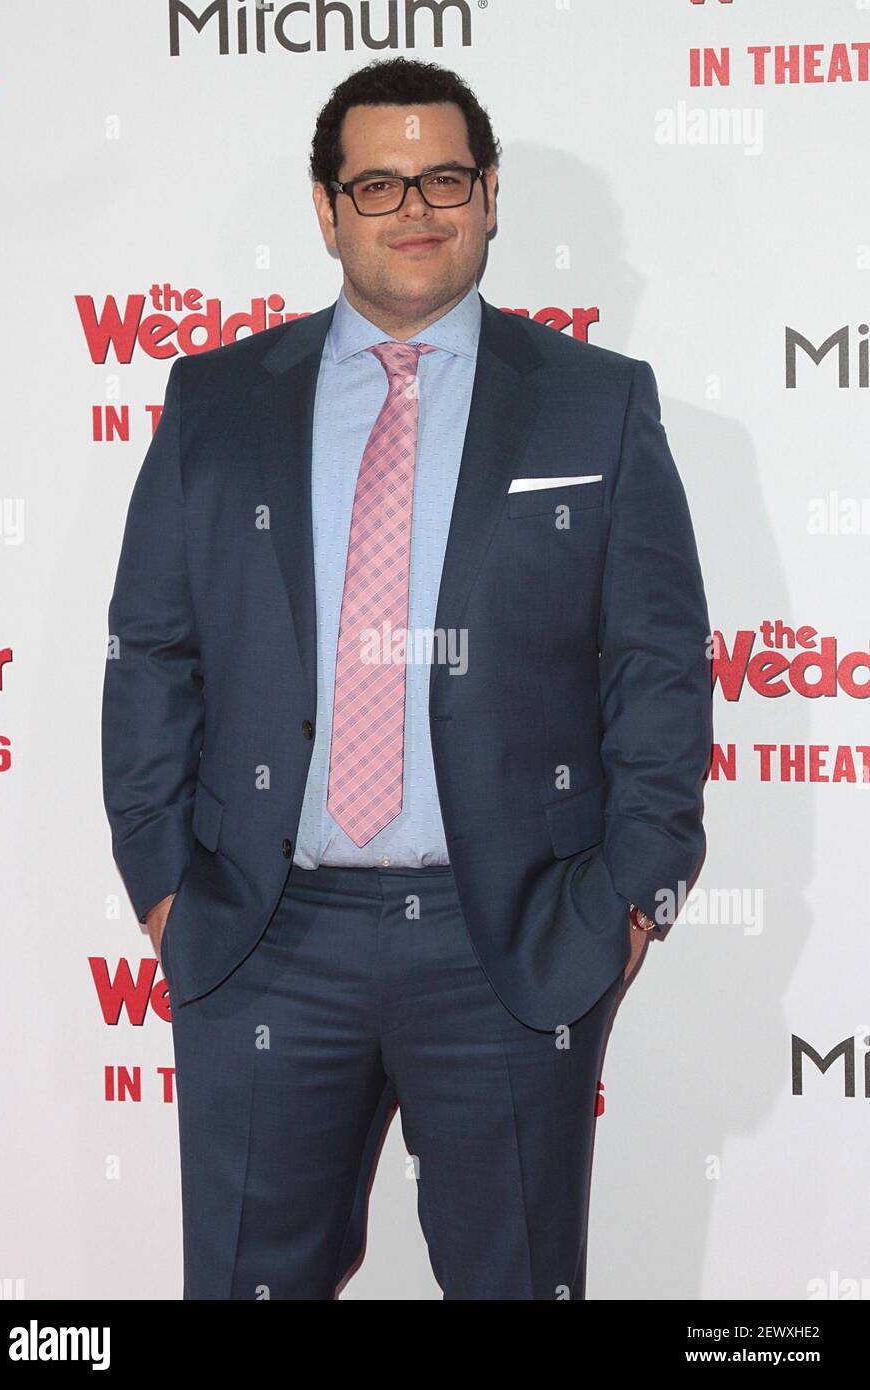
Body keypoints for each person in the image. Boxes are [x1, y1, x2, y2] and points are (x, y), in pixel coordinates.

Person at [101, 55, 712, 1300]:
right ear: (324, 210)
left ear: (489, 196)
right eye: (375, 184)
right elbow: (152, 652)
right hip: (263, 932)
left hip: (508, 940)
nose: (414, 207)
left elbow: (656, 665)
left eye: (444, 176)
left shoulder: (595, 406)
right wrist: (167, 883)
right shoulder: (214, 403)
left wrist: (628, 898)